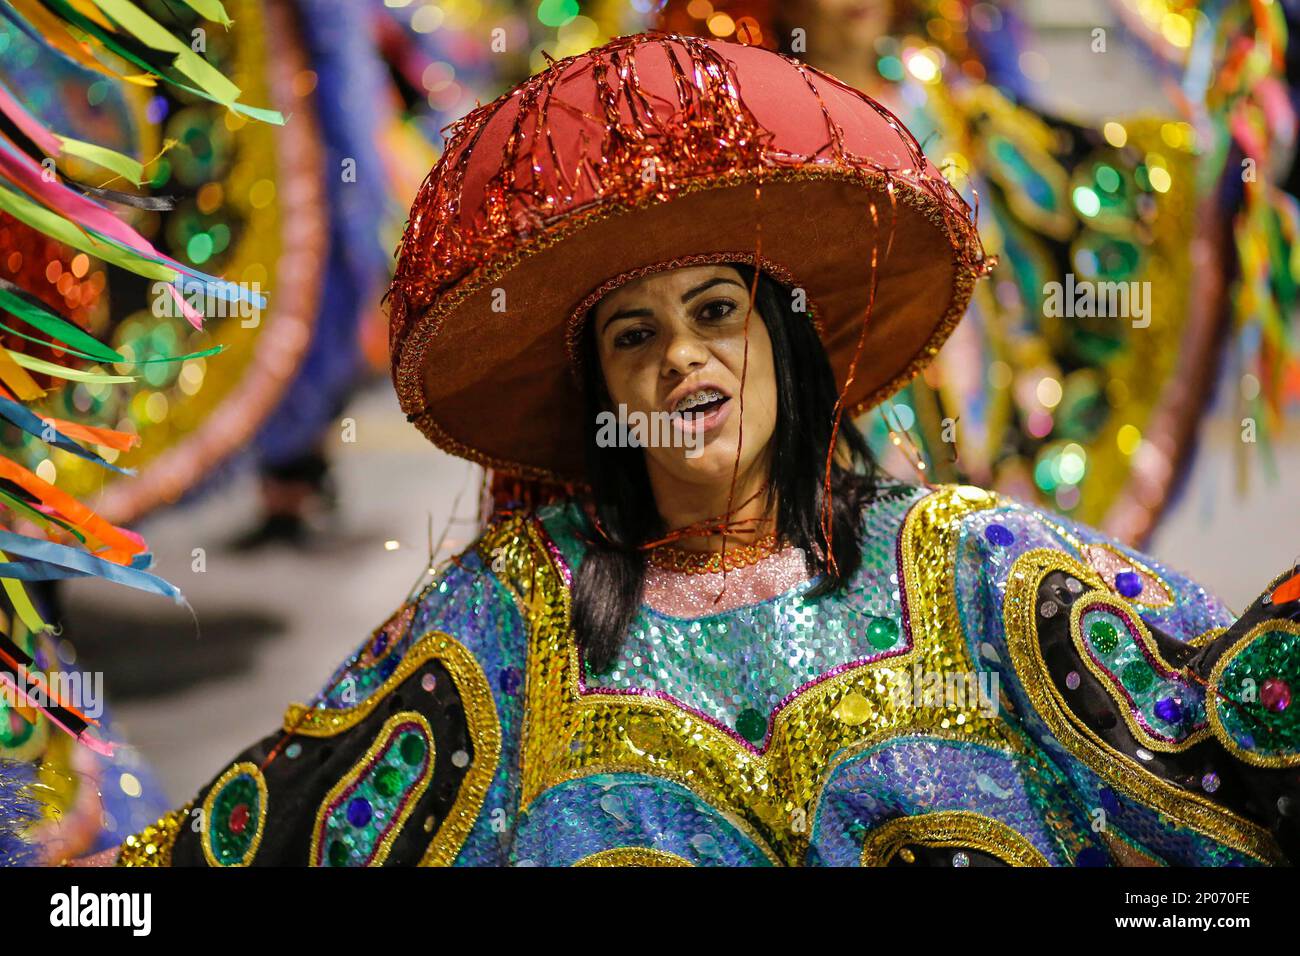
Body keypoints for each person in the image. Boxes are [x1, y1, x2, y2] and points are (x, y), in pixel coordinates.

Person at [66, 32, 1298, 868]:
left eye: (717, 312)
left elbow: (1237, 745)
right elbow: (259, 841)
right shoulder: (515, 616)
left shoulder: (972, 565)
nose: (682, 362)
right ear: (601, 389)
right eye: (632, 335)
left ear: (784, 340)